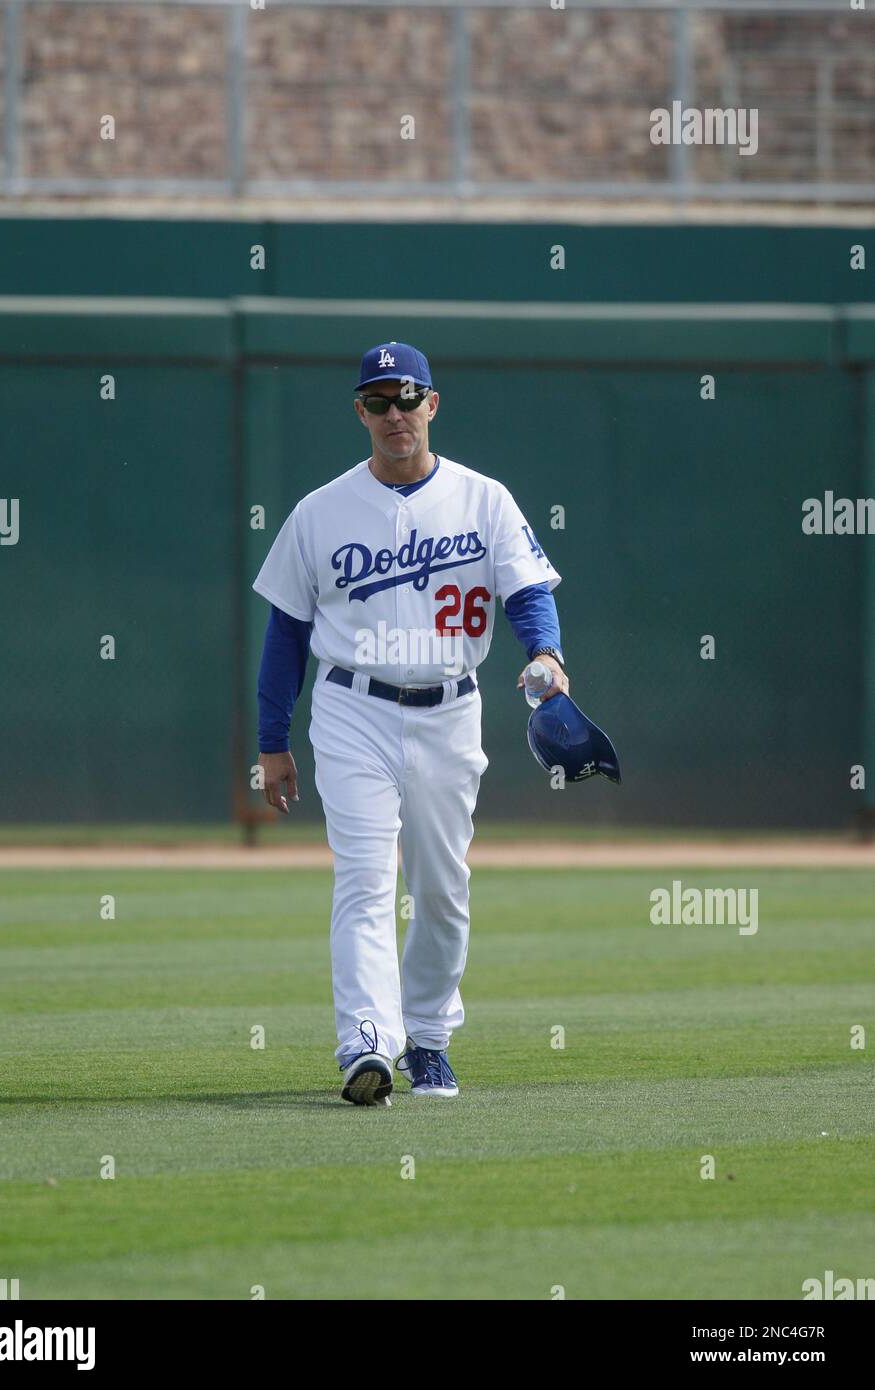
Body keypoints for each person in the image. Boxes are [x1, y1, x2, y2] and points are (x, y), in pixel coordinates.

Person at [252, 341, 567, 1106]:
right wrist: (271, 742)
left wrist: (546, 652)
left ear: (432, 403)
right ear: (359, 412)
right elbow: (285, 634)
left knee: (441, 889)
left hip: (450, 710)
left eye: (406, 397)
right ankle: (367, 1041)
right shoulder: (319, 512)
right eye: (378, 401)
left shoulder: (483, 499)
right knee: (364, 880)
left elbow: (527, 590)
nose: (394, 413)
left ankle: (427, 1037)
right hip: (351, 708)